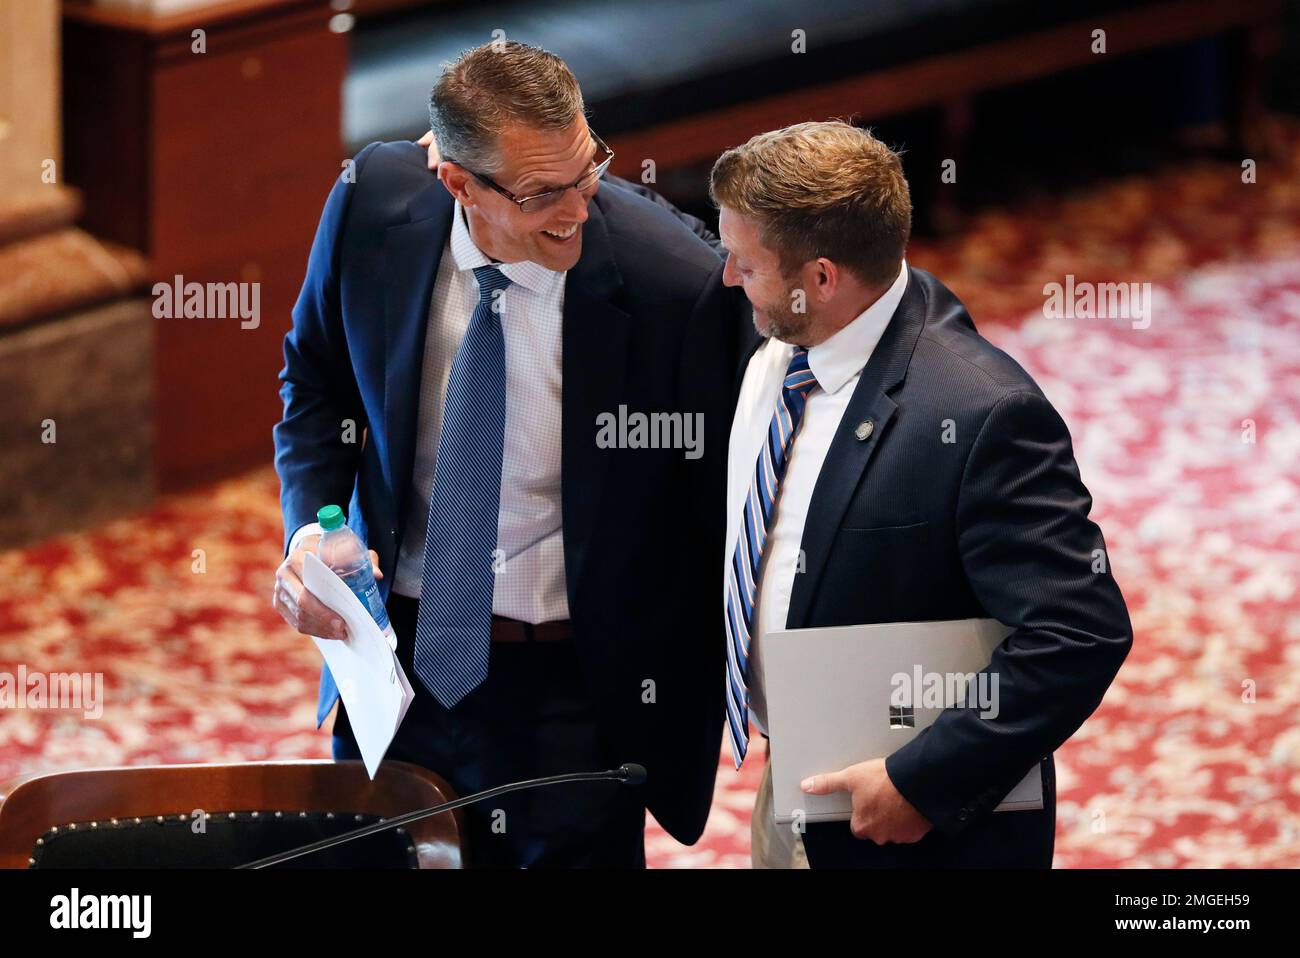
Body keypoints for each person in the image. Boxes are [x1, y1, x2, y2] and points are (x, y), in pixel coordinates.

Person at [271, 40, 740, 867]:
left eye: (588, 172)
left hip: (572, 689)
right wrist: (310, 531)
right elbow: (315, 385)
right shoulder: (370, 202)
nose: (577, 210)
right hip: (398, 662)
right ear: (459, 183)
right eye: (542, 193)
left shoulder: (673, 283)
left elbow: (717, 507)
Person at [707, 121, 1133, 868]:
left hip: (915, 829)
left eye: (745, 264)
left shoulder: (982, 415)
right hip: (794, 783)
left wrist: (923, 782)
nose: (727, 279)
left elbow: (1078, 632)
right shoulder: (787, 341)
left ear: (822, 278)